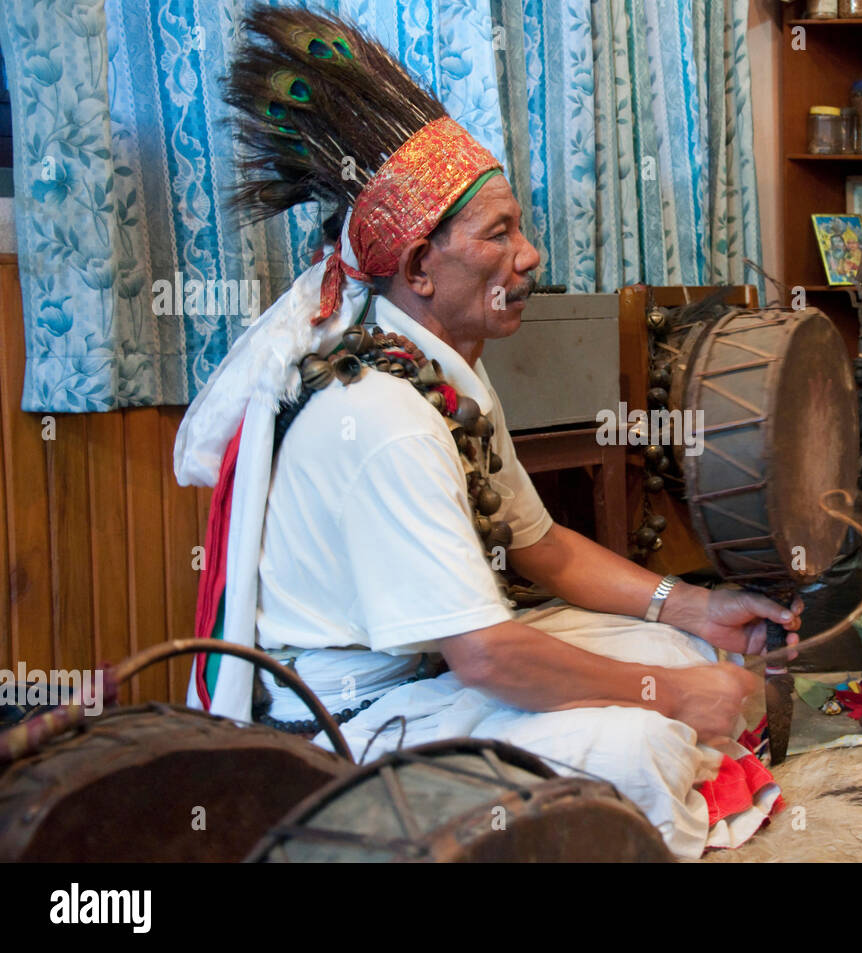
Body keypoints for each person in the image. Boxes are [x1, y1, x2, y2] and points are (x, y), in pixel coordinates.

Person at [172, 7, 799, 857]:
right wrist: (673, 698)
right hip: (353, 727)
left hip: (435, 674)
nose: (530, 255)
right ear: (420, 266)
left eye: (520, 229)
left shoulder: (438, 376)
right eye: (499, 234)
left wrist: (697, 606)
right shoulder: (385, 417)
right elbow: (489, 659)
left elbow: (544, 551)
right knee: (642, 741)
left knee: (683, 643)